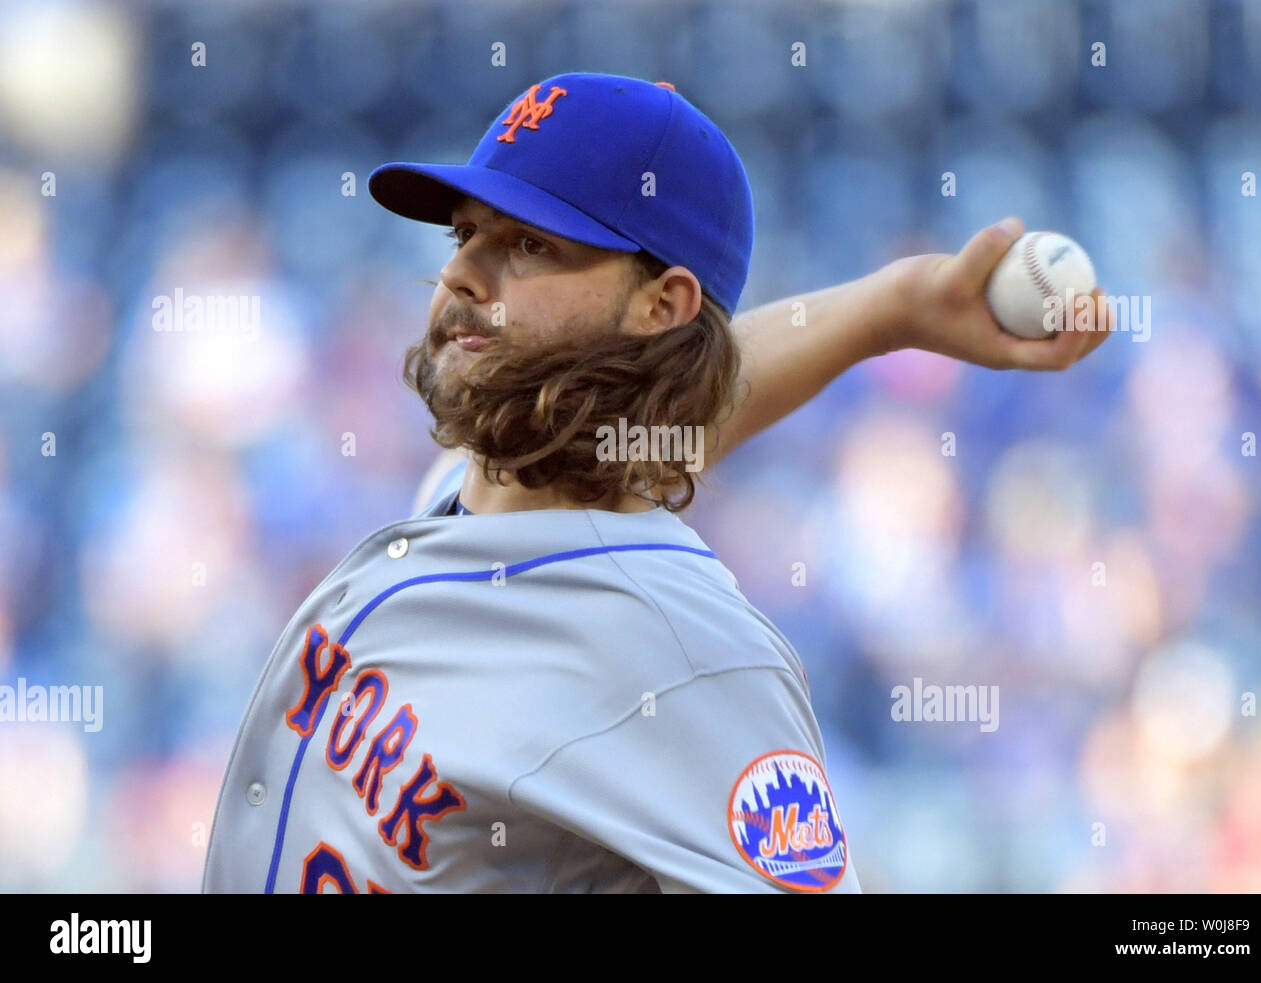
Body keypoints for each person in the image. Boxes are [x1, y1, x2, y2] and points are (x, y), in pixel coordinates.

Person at [201, 72, 1109, 894]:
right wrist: (888, 310)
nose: (462, 274)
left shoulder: (687, 654)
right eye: (466, 233)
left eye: (527, 245)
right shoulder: (477, 498)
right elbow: (650, 421)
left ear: (662, 306)